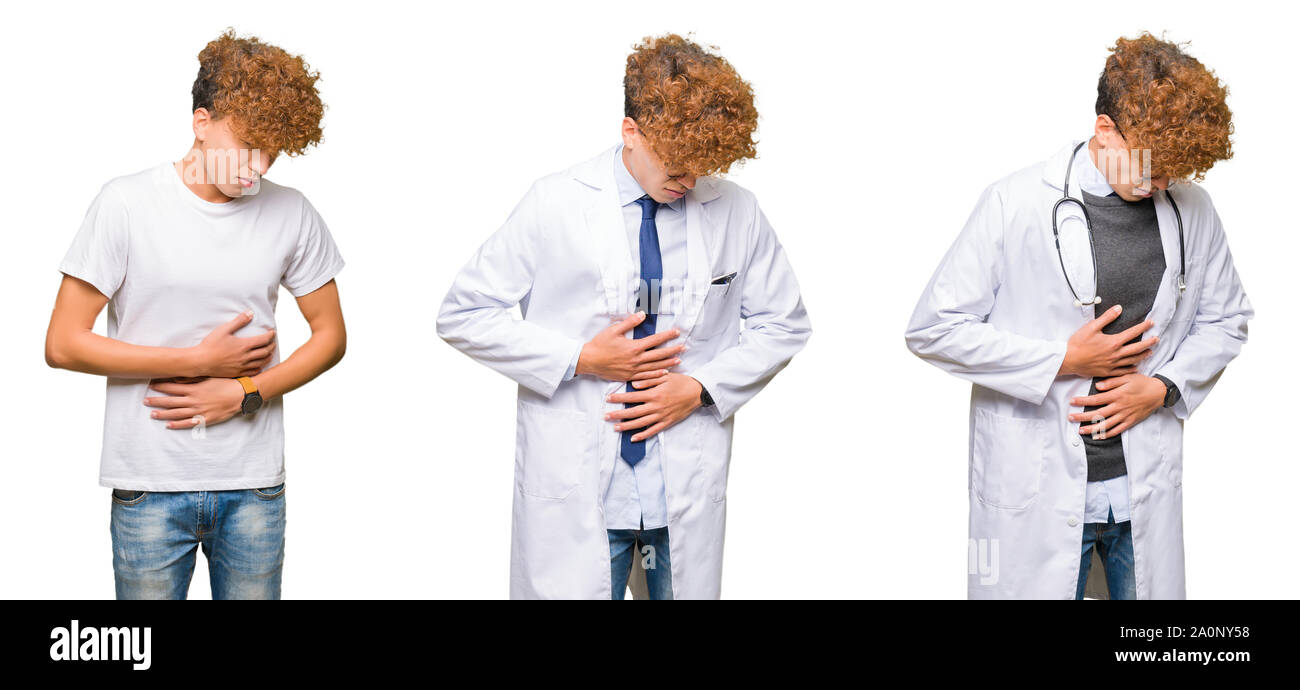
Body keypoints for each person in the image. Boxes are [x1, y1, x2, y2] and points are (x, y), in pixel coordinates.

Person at [437, 33, 811, 600]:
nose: (690, 182)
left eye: (702, 167)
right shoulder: (555, 201)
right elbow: (463, 313)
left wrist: (700, 389)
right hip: (580, 485)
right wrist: (583, 358)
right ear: (630, 131)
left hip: (679, 480)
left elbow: (784, 324)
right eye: (676, 165)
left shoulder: (737, 210)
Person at [905, 33, 1252, 599]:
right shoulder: (1014, 202)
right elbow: (933, 328)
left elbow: (1226, 319)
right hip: (1034, 485)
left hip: (1138, 486)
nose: (1162, 184)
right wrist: (1063, 359)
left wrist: (1162, 387)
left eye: (1173, 172)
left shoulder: (1193, 209)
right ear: (1105, 129)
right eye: (1151, 166)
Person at [44, 30, 347, 600]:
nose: (258, 166)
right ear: (201, 122)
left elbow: (330, 336)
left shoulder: (292, 212)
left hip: (253, 486)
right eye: (248, 144)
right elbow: (62, 343)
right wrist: (197, 360)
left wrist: (245, 392)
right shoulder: (126, 204)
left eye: (273, 151)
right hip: (150, 484)